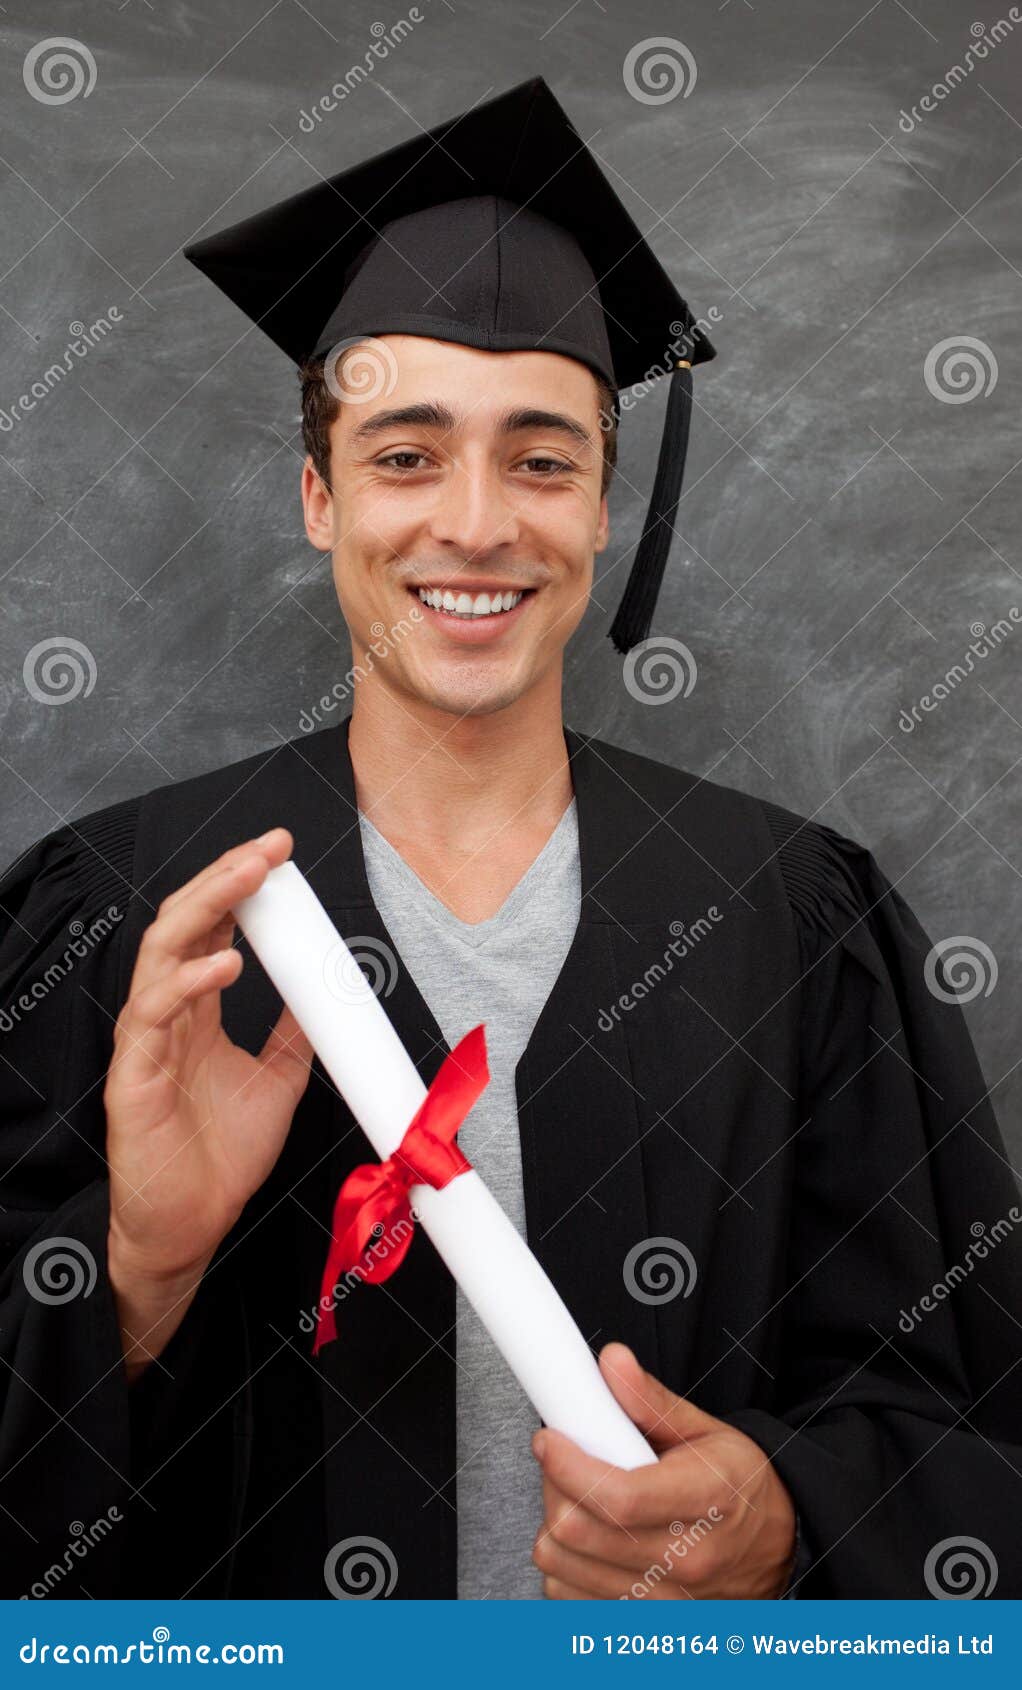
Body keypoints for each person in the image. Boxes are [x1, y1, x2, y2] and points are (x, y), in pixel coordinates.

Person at [1, 76, 1020, 1603]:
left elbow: (963, 1427)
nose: (475, 523)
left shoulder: (784, 918)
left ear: (601, 506)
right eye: (404, 455)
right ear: (317, 498)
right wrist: (135, 1264)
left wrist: (786, 1515)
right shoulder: (130, 921)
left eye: (540, 459)